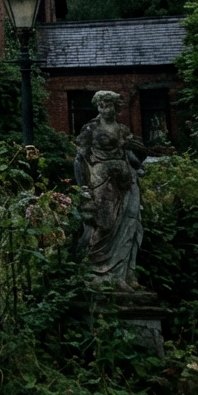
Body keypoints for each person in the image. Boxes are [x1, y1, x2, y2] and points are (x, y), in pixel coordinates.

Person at [74, 90, 147, 289]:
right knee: (104, 224)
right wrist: (83, 188)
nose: (105, 109)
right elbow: (79, 159)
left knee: (126, 225)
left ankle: (119, 275)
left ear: (116, 107)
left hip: (124, 182)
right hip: (101, 181)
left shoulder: (123, 130)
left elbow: (134, 159)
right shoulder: (91, 129)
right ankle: (95, 271)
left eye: (108, 105)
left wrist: (139, 151)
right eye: (101, 106)